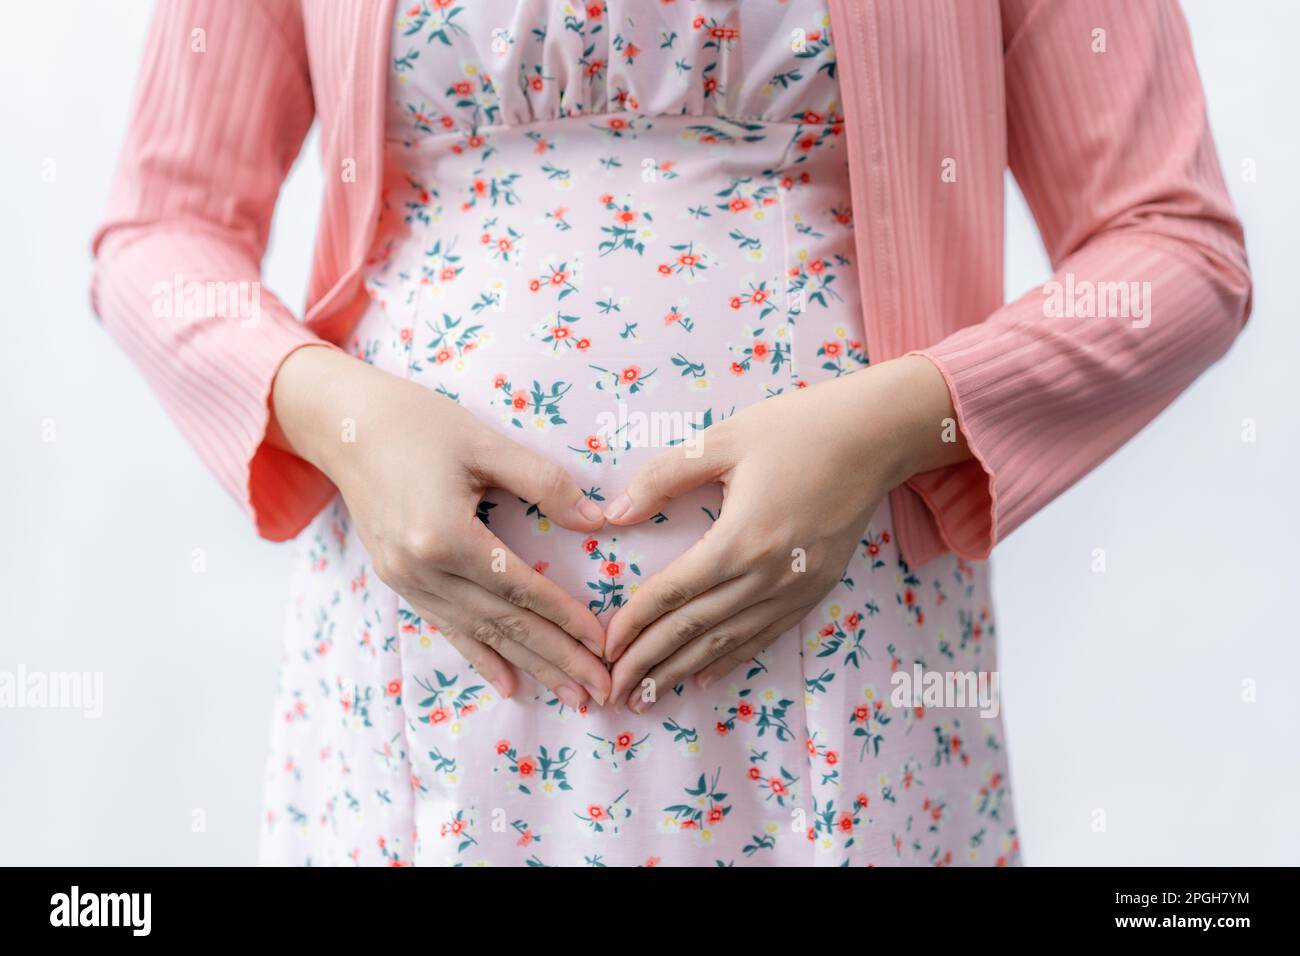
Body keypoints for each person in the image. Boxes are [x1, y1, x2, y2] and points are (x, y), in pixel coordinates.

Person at [92, 0, 1250, 866]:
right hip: (423, 652)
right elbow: (159, 231)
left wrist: (887, 423)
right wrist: (336, 413)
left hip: (840, 643)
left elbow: (1174, 250)